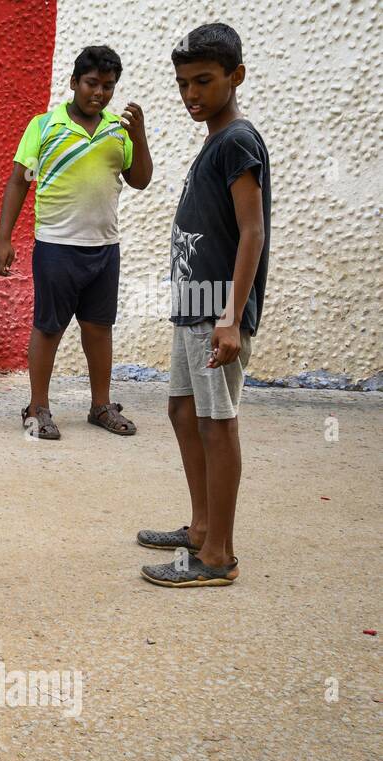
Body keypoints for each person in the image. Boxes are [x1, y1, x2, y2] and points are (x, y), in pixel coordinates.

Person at [140, 23, 269, 587]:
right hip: (194, 304)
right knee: (182, 411)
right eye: (183, 83)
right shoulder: (214, 140)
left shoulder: (237, 139)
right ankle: (198, 528)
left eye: (204, 81)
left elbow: (252, 232)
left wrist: (231, 317)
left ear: (235, 77)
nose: (192, 94)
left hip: (217, 308)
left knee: (217, 424)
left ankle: (219, 555)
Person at [0, 46, 153, 439]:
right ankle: (37, 408)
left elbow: (141, 179)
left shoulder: (119, 129)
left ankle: (101, 406)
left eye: (108, 86)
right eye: (92, 84)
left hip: (104, 247)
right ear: (74, 83)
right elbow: (18, 181)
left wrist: (140, 135)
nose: (99, 93)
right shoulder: (44, 126)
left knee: (99, 328)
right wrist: (3, 238)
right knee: (48, 327)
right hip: (56, 245)